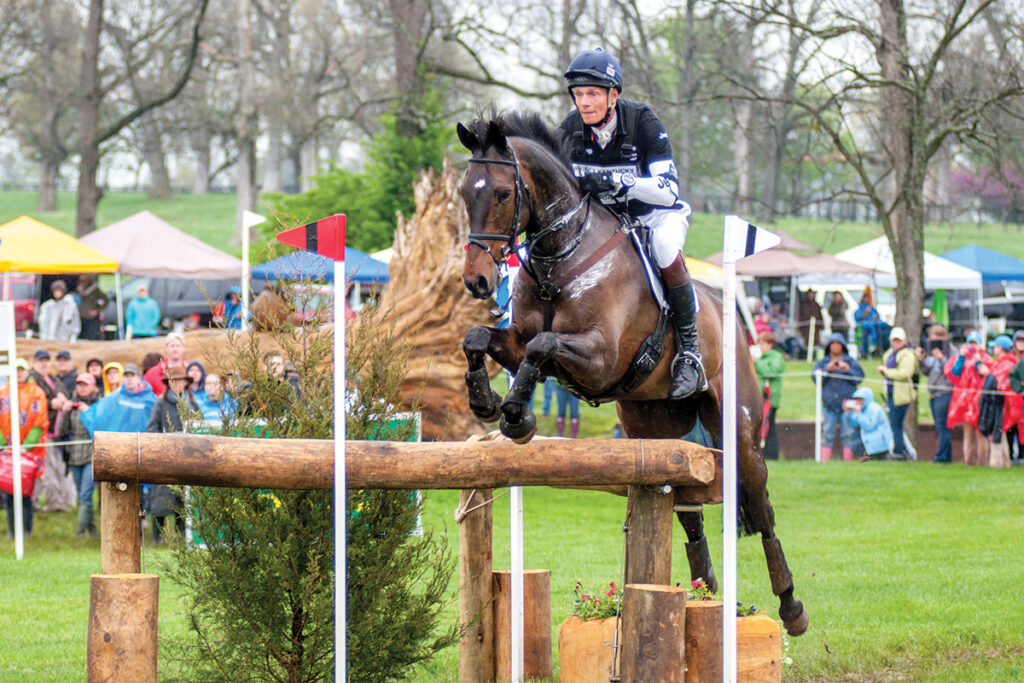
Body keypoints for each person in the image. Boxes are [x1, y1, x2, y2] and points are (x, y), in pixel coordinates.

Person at [557, 48, 704, 399]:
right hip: (606, 226)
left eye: (593, 93)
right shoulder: (569, 130)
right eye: (578, 95)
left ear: (613, 95)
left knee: (665, 246)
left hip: (655, 216)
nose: (585, 103)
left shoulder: (642, 121)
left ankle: (690, 352)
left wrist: (618, 182)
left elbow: (669, 191)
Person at [145, 365, 199, 544]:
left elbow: (201, 430)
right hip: (163, 460)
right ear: (169, 383)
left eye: (180, 380)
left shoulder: (193, 404)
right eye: (174, 381)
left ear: (186, 383)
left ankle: (181, 538)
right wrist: (165, 442)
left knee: (182, 501)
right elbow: (151, 429)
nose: (177, 384)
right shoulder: (160, 404)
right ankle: (157, 538)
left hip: (187, 461)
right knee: (160, 500)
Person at [0, 359, 48, 539]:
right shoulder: (3, 391)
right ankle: (12, 532)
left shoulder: (36, 393)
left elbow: (39, 422)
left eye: (21, 370)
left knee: (25, 494)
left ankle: (27, 532)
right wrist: (4, 446)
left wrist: (25, 446)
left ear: (27, 372)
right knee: (9, 494)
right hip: (7, 451)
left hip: (28, 453)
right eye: (15, 370)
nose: (19, 373)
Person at [27, 349, 76, 512]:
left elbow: (65, 395)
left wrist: (63, 398)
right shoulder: (32, 378)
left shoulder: (53, 379)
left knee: (55, 467)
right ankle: (53, 503)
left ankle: (45, 501)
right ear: (34, 362)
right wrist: (51, 403)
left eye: (47, 360)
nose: (44, 364)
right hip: (40, 431)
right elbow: (31, 401)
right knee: (47, 469)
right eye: (41, 361)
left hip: (56, 430)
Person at [56, 373, 101, 536]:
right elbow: (60, 432)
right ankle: (93, 531)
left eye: (85, 384)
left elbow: (101, 429)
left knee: (85, 494)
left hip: (92, 454)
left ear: (93, 387)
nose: (82, 388)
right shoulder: (72, 404)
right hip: (74, 457)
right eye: (79, 384)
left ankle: (79, 533)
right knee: (82, 495)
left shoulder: (99, 403)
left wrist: (88, 413)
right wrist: (65, 412)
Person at [812, 332, 865, 461]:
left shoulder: (851, 362)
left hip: (847, 405)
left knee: (848, 434)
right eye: (833, 344)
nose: (835, 347)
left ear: (843, 346)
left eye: (838, 345)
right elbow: (815, 378)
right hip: (829, 404)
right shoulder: (822, 362)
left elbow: (859, 378)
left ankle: (847, 461)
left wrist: (848, 370)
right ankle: (824, 461)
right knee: (827, 433)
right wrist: (826, 370)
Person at [945, 331, 992, 466]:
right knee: (968, 434)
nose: (972, 346)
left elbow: (985, 375)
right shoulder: (961, 358)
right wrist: (961, 357)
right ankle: (968, 461)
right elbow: (955, 373)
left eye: (974, 343)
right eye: (970, 343)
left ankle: (982, 462)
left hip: (980, 402)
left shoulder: (985, 358)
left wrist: (978, 361)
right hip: (965, 402)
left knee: (981, 433)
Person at [976, 335, 1021, 469]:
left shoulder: (1008, 363)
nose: (993, 349)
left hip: (1002, 404)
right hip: (1000, 403)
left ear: (1001, 349)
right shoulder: (1002, 362)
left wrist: (988, 374)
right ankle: (1004, 462)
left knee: (997, 431)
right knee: (999, 432)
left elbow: (1000, 383)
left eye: (995, 346)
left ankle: (997, 463)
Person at [877, 327, 918, 460]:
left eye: (898, 341)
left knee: (896, 424)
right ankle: (900, 450)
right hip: (891, 393)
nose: (896, 343)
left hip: (901, 395)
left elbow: (905, 373)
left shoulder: (907, 355)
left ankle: (899, 451)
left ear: (904, 341)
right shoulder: (890, 354)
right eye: (894, 341)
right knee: (895, 424)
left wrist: (886, 372)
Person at [81, 364, 158, 435]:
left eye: (132, 375)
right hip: (119, 444)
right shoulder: (115, 397)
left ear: (138, 377)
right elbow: (100, 417)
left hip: (143, 444)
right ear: (122, 378)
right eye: (126, 376)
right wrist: (86, 412)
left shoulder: (150, 399)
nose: (129, 379)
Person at [916, 325, 955, 463]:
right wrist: (921, 361)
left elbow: (952, 371)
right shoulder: (932, 350)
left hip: (945, 392)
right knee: (939, 426)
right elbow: (928, 371)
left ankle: (941, 456)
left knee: (942, 426)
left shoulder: (951, 351)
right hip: (933, 393)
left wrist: (941, 358)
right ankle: (946, 456)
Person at [754, 331, 785, 460]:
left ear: (770, 344)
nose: (761, 347)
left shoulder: (776, 357)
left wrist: (757, 363)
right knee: (766, 427)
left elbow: (770, 372)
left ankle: (771, 454)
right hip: (763, 398)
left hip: (770, 399)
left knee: (769, 427)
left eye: (763, 344)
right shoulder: (763, 358)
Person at [843, 387, 894, 460]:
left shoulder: (875, 409)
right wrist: (848, 414)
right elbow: (853, 424)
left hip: (879, 441)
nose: (858, 402)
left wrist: (859, 414)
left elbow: (869, 426)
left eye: (861, 399)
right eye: (856, 399)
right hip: (868, 440)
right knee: (854, 442)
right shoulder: (861, 409)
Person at [143, 332, 188, 398]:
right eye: (172, 346)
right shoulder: (153, 373)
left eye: (178, 346)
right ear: (166, 348)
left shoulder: (191, 370)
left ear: (183, 348)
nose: (175, 349)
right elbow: (144, 395)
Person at [1005, 331, 1024, 464]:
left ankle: (1022, 456)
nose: (1021, 344)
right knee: (1010, 427)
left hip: (1021, 400)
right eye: (1019, 341)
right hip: (1010, 400)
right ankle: (1011, 455)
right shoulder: (1009, 359)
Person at [77, 275, 107, 340]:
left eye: (85, 280)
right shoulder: (79, 290)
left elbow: (106, 300)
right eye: (82, 281)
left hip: (91, 318)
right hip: (81, 317)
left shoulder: (95, 290)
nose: (83, 282)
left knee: (92, 336)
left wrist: (97, 311)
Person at [854, 290, 881, 358]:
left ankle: (876, 351)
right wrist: (866, 313)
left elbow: (877, 318)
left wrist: (875, 318)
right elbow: (858, 318)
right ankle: (864, 353)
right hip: (863, 329)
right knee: (864, 337)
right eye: (866, 298)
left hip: (873, 329)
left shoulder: (872, 308)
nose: (867, 300)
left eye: (868, 298)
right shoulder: (860, 309)